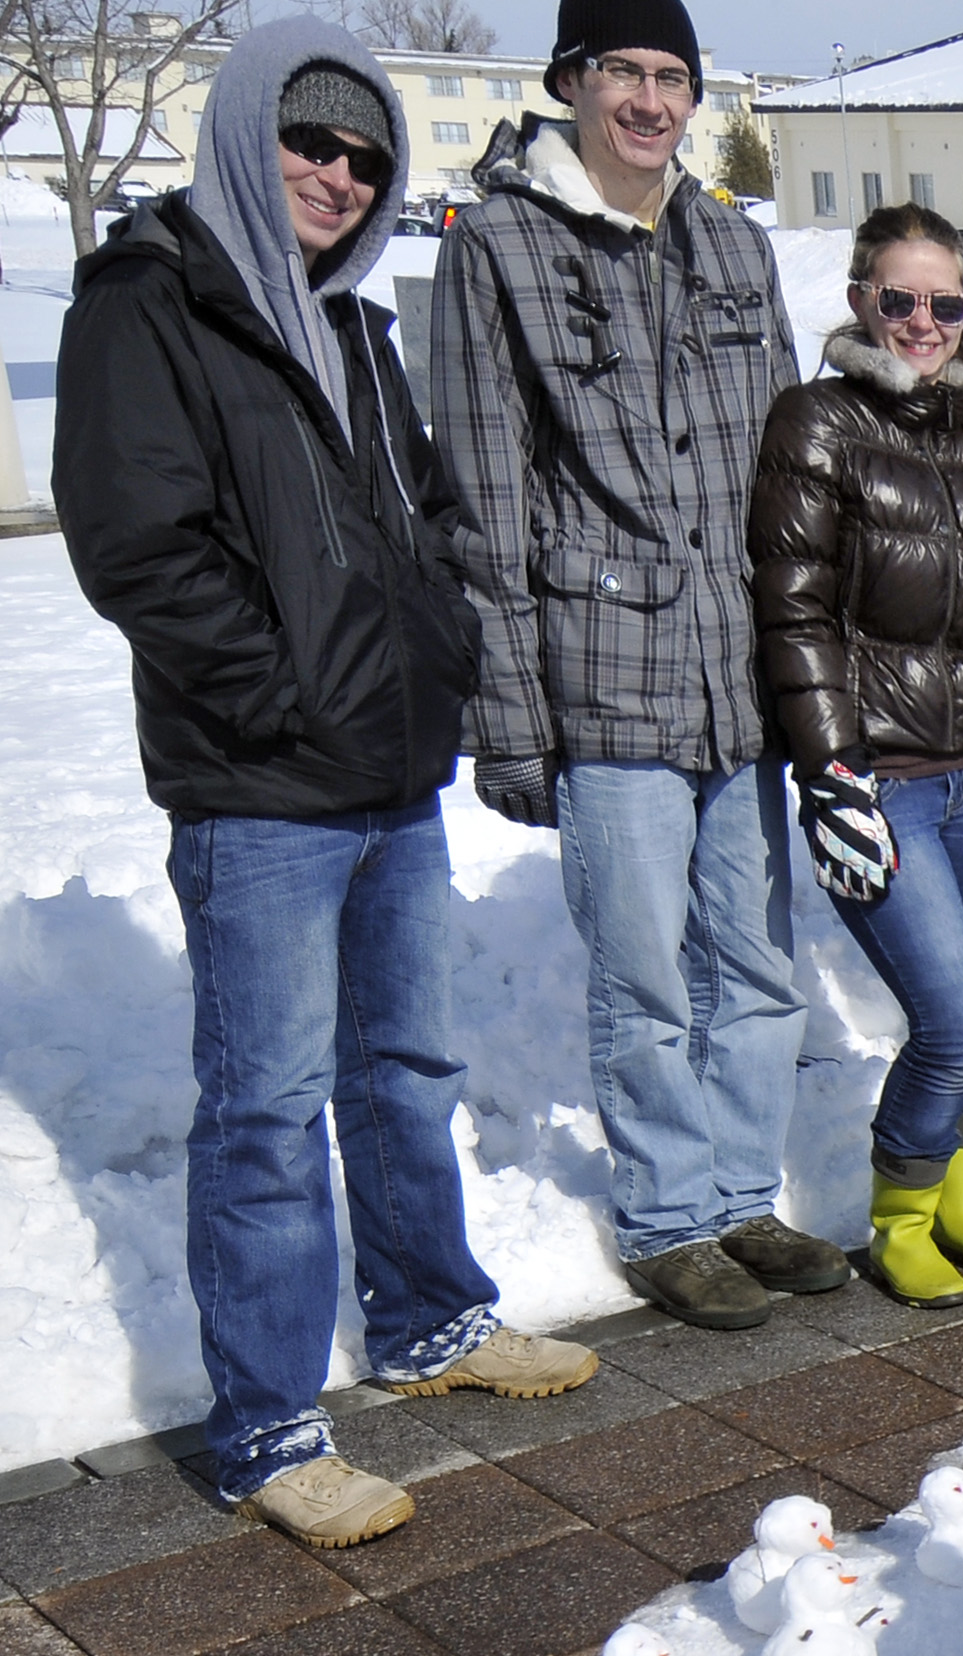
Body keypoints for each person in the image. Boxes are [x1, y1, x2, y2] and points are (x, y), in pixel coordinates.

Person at [55, 20, 597, 1549]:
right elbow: (139, 550)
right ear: (244, 135)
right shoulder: (151, 301)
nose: (336, 174)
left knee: (405, 1068)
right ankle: (267, 1422)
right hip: (261, 787)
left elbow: (420, 513)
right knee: (270, 1114)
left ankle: (429, 1320)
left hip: (390, 771)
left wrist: (440, 648)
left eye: (364, 156)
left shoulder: (352, 327)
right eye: (308, 140)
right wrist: (293, 702)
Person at [428, 0, 849, 1329]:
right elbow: (484, 494)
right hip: (604, 667)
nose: (654, 100)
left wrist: (807, 664)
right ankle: (669, 1217)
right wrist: (507, 712)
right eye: (628, 72)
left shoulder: (729, 238)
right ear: (572, 81)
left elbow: (791, 473)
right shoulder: (501, 242)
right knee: (647, 972)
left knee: (758, 963)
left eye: (674, 77)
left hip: (738, 672)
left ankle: (736, 1198)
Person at [749, 203, 963, 1308]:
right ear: (859, 301)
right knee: (949, 1018)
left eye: (945, 302)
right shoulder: (817, 425)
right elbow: (793, 614)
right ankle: (896, 1213)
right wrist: (830, 771)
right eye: (901, 298)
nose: (923, 320)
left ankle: (958, 1195)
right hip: (882, 780)